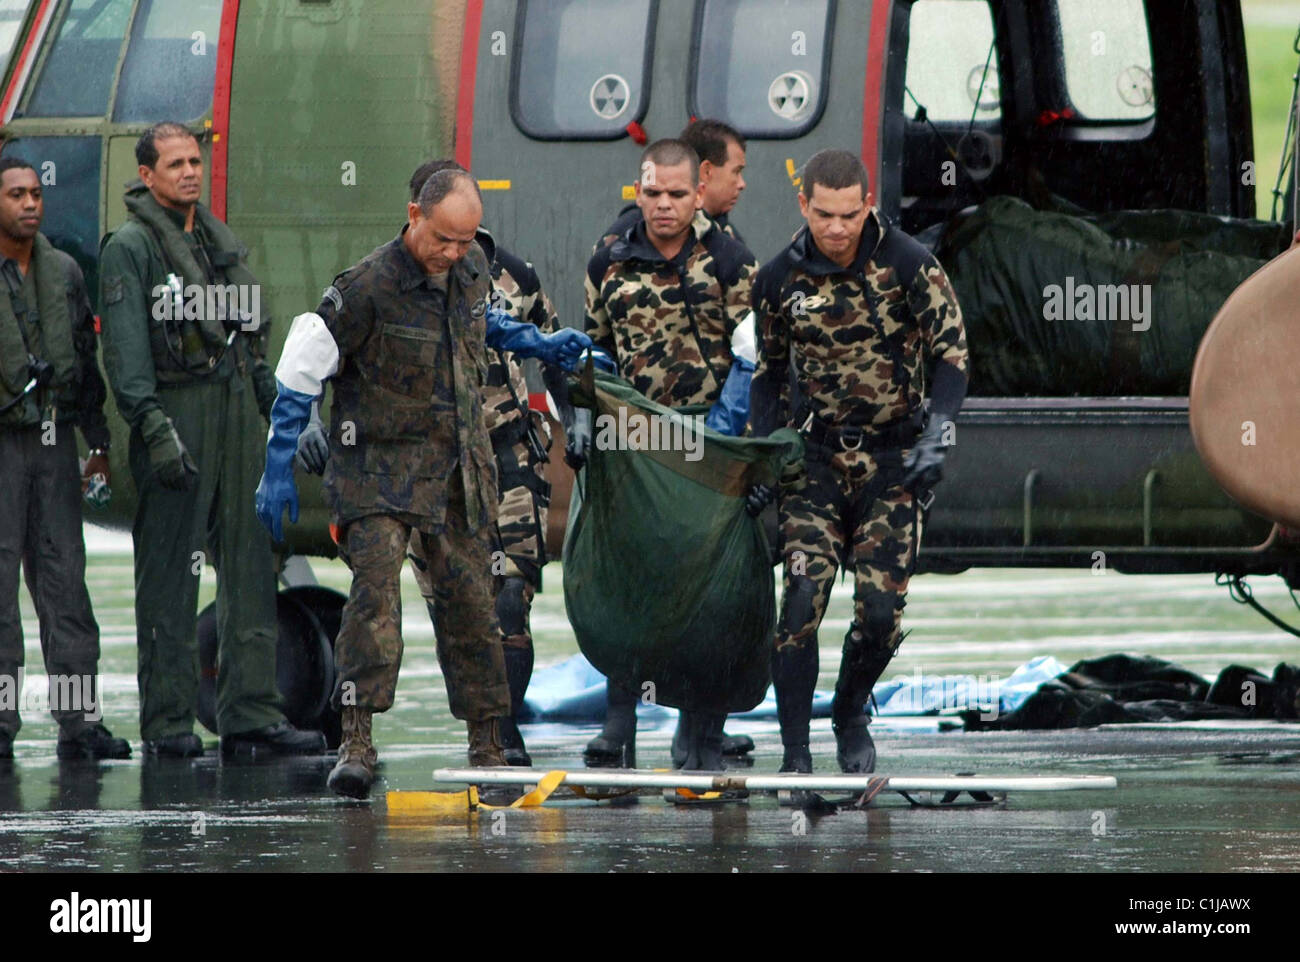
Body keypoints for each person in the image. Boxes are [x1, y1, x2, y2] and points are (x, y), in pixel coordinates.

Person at [255, 168, 591, 799]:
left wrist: (539, 341)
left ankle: (487, 746)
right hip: (377, 476)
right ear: (414, 216)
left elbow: (482, 325)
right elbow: (301, 368)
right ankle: (356, 741)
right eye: (444, 239)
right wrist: (278, 463)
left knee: (474, 610)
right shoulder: (365, 287)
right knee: (375, 601)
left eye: (466, 242)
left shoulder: (467, 271)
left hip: (456, 475)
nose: (455, 254)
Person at [99, 122, 324, 759]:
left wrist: (281, 413)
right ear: (147, 175)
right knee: (169, 578)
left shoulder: (214, 244)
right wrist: (152, 429)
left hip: (234, 413)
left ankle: (252, 713)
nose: (189, 172)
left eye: (195, 160)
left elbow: (245, 342)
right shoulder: (132, 248)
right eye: (174, 164)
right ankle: (169, 724)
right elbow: (125, 352)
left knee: (252, 562)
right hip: (176, 413)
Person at [749, 149, 969, 774]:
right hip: (815, 460)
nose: (838, 228)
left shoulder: (908, 264)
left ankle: (849, 711)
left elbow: (953, 356)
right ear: (804, 206)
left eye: (849, 214)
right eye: (825, 214)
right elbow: (766, 376)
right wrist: (768, 453)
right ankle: (795, 755)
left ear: (867, 204)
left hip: (893, 460)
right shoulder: (778, 280)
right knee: (800, 601)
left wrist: (939, 433)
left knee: (878, 614)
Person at [579, 138, 762, 771]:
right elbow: (593, 351)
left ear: (697, 191)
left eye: (677, 195)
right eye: (651, 192)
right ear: (639, 188)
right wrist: (586, 418)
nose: (662, 206)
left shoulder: (732, 261)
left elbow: (758, 355)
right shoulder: (609, 260)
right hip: (634, 443)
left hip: (709, 446)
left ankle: (701, 737)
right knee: (634, 582)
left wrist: (732, 442)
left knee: (711, 594)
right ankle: (617, 730)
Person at [0, 157, 129, 760]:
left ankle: (79, 722)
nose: (30, 204)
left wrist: (98, 444)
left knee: (64, 587)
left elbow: (84, 367)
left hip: (52, 443)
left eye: (36, 193)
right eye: (16, 195)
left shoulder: (66, 273)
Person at [597, 119, 748, 249]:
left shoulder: (728, 238)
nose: (742, 184)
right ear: (707, 171)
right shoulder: (628, 236)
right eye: (736, 171)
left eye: (676, 194)